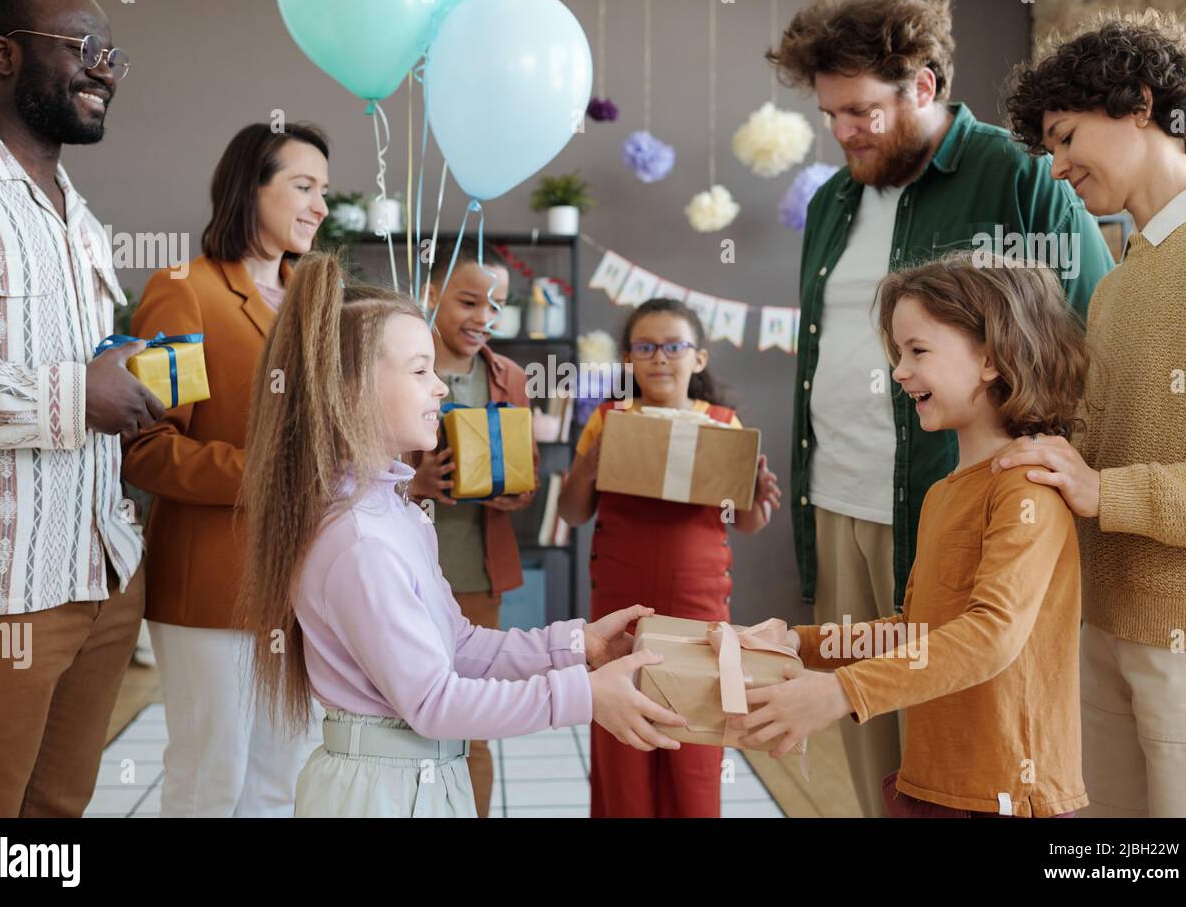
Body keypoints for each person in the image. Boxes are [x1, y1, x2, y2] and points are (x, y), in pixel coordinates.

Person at [765, 0, 1112, 816]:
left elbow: (1090, 332)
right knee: (877, 751)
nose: (842, 132)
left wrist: (1056, 474)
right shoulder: (833, 200)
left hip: (956, 491)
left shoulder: (1023, 175)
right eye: (830, 115)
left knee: (964, 716)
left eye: (859, 111)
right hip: (841, 496)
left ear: (921, 86)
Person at [236, 252, 688, 817]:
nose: (441, 390)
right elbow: (434, 701)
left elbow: (463, 648)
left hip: (417, 780)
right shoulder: (360, 541)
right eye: (420, 370)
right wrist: (584, 696)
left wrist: (578, 646)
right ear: (348, 387)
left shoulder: (393, 514)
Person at [735, 252, 1089, 818]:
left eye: (918, 351)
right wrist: (798, 644)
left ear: (992, 359)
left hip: (1003, 795)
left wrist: (838, 693)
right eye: (899, 353)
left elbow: (992, 636)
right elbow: (919, 631)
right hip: (933, 783)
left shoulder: (1028, 489)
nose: (899, 371)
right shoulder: (945, 491)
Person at [0, 0, 161, 816]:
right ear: (3, 53)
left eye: (113, 57)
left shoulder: (81, 219)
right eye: (85, 52)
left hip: (101, 580)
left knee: (54, 819)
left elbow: (81, 371)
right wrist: (70, 396)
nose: (106, 72)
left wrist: (123, 376)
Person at [1000, 9, 1186, 816]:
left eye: (1065, 138)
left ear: (1139, 103)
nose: (1057, 169)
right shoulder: (1121, 281)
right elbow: (1102, 445)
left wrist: (1108, 493)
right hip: (1103, 628)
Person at [121, 122, 331, 816]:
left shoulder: (312, 303)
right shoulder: (186, 290)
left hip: (297, 586)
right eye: (303, 186)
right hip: (211, 586)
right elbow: (147, 447)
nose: (319, 206)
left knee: (281, 779)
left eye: (323, 192)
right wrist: (268, 475)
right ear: (251, 188)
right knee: (214, 777)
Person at [559, 298, 782, 818]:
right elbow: (573, 512)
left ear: (698, 358)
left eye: (673, 346)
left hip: (697, 605)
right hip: (620, 607)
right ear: (628, 359)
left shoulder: (724, 425)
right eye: (645, 347)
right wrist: (589, 466)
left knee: (694, 735)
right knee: (622, 733)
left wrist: (759, 497)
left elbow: (745, 521)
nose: (660, 358)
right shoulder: (608, 419)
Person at [406, 249, 537, 817]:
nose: (483, 315)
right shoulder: (400, 361)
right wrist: (415, 482)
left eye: (496, 305)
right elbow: (354, 465)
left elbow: (526, 476)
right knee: (401, 719)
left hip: (477, 576)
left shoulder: (505, 375)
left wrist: (512, 487)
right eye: (468, 300)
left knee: (473, 727)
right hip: (403, 573)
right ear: (431, 293)